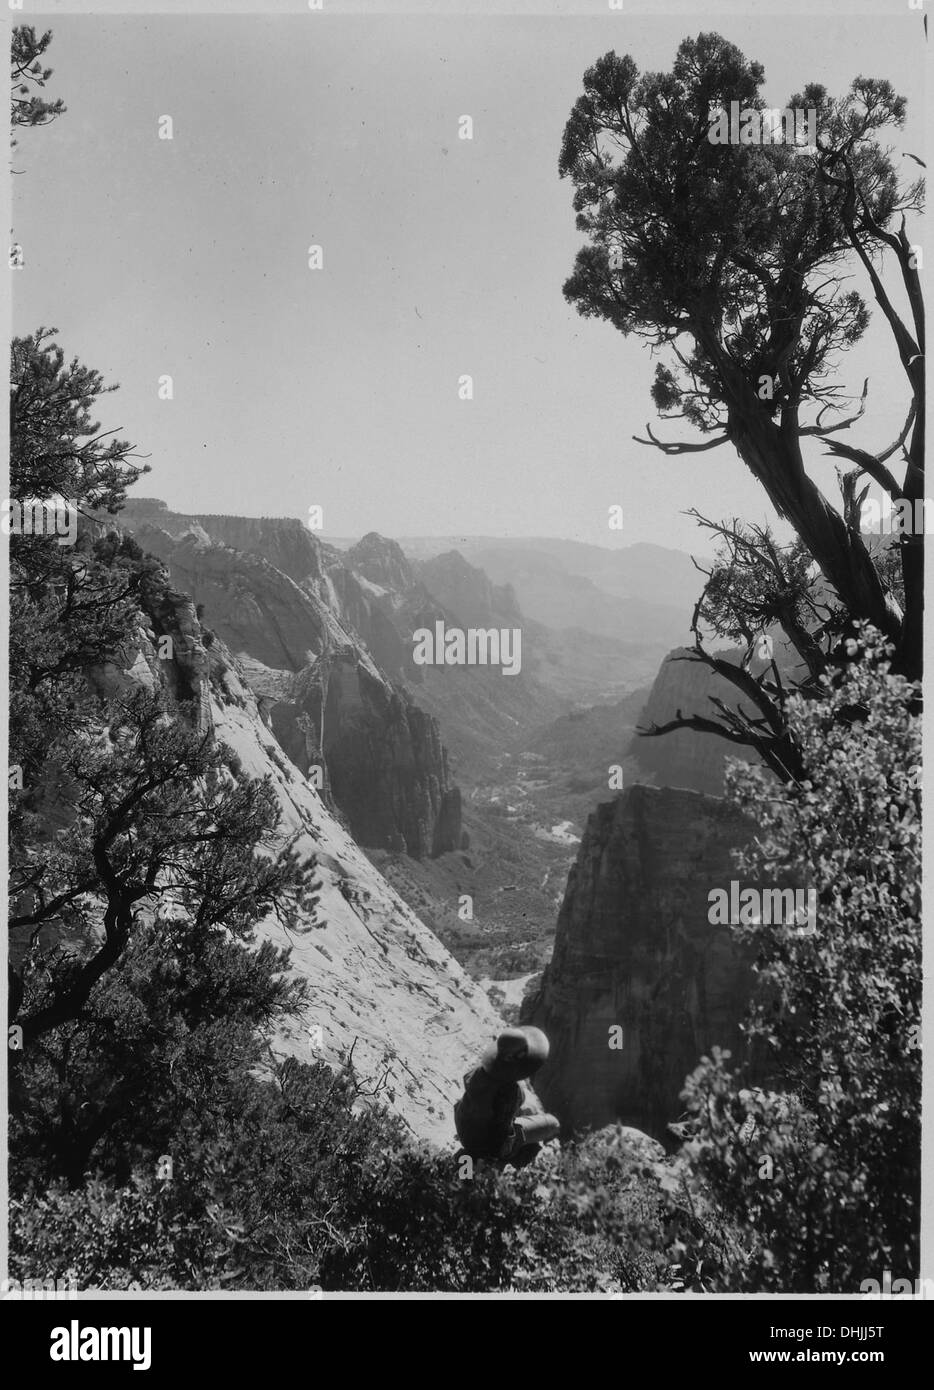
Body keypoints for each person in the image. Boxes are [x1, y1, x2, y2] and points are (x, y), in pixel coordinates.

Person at [454, 1026, 560, 1168]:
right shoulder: (510, 1092)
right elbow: (501, 1133)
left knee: (527, 1109)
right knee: (553, 1123)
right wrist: (493, 1156)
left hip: (464, 1129)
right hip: (489, 1147)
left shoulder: (480, 1071)